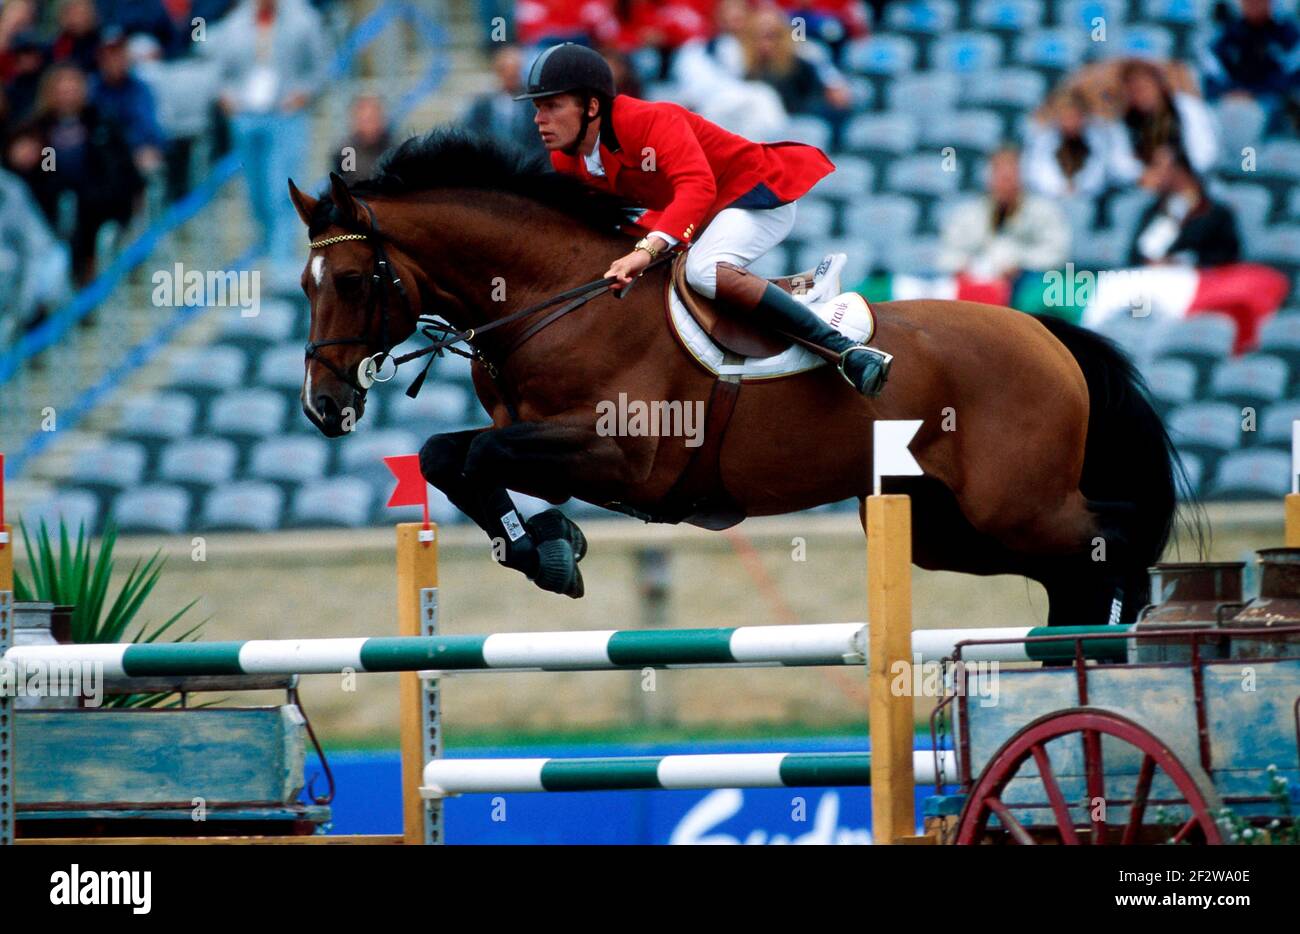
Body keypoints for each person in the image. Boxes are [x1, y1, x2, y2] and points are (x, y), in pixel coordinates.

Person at [515, 42, 891, 395]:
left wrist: (645, 251)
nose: (539, 119)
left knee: (703, 269)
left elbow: (696, 186)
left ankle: (845, 351)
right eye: (537, 108)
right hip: (703, 214)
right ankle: (794, 290)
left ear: (592, 107)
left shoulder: (648, 120)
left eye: (552, 106)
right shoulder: (567, 158)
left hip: (754, 196)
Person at [1082, 145, 1288, 352]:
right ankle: (1089, 344)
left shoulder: (1214, 212)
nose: (1153, 174)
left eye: (1160, 167)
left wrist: (1180, 261)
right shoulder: (1152, 211)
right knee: (1111, 284)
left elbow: (1226, 255)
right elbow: (1133, 255)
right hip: (1148, 277)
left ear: (1179, 171)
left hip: (1190, 279)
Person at [208, 0, 328, 284]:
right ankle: (268, 249)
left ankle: (282, 264)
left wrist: (305, 93)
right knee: (257, 194)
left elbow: (320, 65)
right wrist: (226, 97)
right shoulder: (235, 22)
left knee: (281, 190)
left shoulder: (303, 19)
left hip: (285, 117)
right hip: (247, 117)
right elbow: (217, 70)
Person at [14, 64, 143, 285]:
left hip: (99, 208)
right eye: (62, 90)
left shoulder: (101, 125)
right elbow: (46, 174)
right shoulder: (40, 131)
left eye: (73, 88)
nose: (68, 95)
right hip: (53, 212)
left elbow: (120, 174)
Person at [938, 147, 1071, 285]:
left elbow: (1057, 254)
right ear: (988, 178)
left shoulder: (1045, 211)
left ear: (1022, 177)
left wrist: (1019, 262)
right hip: (976, 286)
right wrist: (967, 266)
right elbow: (947, 255)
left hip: (1026, 284)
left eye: (1011, 176)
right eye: (1000, 176)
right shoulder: (967, 214)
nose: (1006, 183)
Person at [1203, 0, 1300, 132]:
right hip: (1231, 102)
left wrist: (1254, 93)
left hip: (1273, 107)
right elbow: (1213, 73)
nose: (1253, 4)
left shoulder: (1288, 35)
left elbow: (1292, 77)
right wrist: (1232, 91)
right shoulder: (1227, 34)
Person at [459, 44, 547, 156]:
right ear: (498, 72)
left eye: (515, 72)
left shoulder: (533, 104)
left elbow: (539, 142)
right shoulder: (482, 105)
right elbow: (471, 136)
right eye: (507, 72)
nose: (512, 76)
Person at [1022, 88, 1110, 199]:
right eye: (1066, 116)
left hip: (1087, 198)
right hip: (1049, 197)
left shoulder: (1096, 139)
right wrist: (1060, 187)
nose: (1070, 121)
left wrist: (1078, 186)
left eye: (1074, 116)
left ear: (1083, 117)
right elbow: (1036, 172)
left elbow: (1099, 174)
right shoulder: (1044, 139)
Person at [335, 93, 394, 179]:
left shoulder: (393, 149)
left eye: (373, 118)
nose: (370, 125)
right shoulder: (347, 151)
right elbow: (346, 182)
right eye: (365, 120)